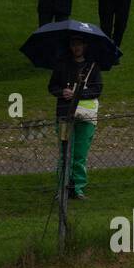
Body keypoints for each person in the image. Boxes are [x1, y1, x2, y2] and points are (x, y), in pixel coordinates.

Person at [47, 34, 103, 201]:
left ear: (85, 46)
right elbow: (52, 87)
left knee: (80, 154)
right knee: (65, 154)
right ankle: (62, 188)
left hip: (85, 118)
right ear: (70, 46)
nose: (76, 47)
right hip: (65, 115)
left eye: (79, 44)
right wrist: (62, 92)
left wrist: (77, 94)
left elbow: (97, 90)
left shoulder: (92, 67)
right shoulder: (61, 65)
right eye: (73, 44)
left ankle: (77, 188)